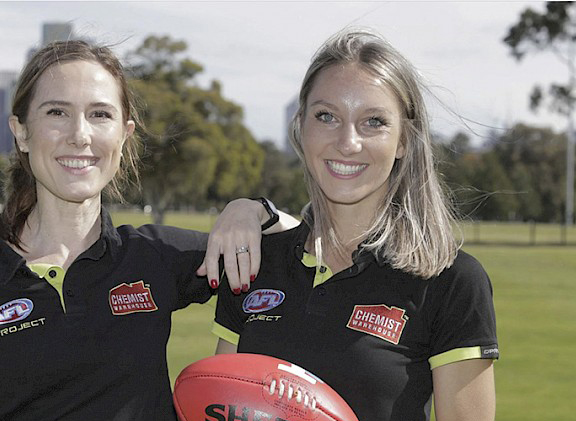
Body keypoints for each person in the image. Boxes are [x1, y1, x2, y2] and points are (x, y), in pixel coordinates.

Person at [0, 40, 294, 421]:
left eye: (100, 115)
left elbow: (300, 247)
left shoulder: (154, 256)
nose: (80, 134)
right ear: (21, 131)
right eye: (57, 112)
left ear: (124, 136)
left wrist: (254, 211)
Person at [213, 28, 499, 421]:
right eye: (326, 116)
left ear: (404, 141)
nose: (347, 142)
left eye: (374, 121)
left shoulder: (452, 281)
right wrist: (248, 209)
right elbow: (222, 400)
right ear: (301, 126)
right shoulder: (254, 263)